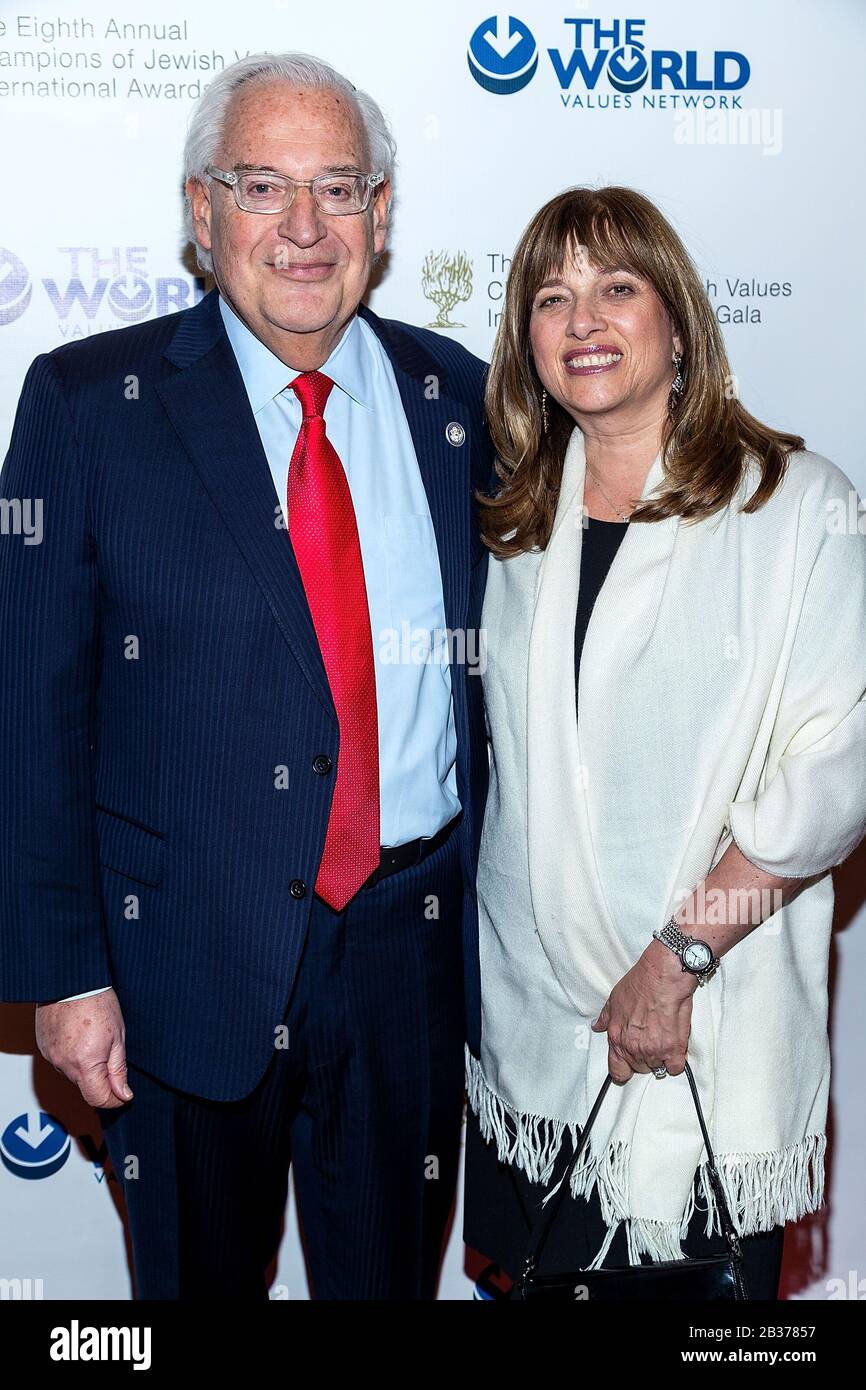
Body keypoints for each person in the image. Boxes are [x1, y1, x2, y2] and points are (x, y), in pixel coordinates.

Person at [0, 52, 494, 1300]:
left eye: (338, 188)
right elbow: (29, 715)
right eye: (261, 187)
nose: (303, 228)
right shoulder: (85, 405)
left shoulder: (467, 403)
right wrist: (63, 972)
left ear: (382, 218)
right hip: (178, 968)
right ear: (200, 210)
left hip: (408, 957)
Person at [463, 185, 866, 1298]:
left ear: (676, 320)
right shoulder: (510, 528)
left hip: (711, 1027)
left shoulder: (792, 510)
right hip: (539, 1044)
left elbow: (834, 771)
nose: (581, 319)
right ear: (525, 341)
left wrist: (678, 955)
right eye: (550, 297)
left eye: (615, 287)